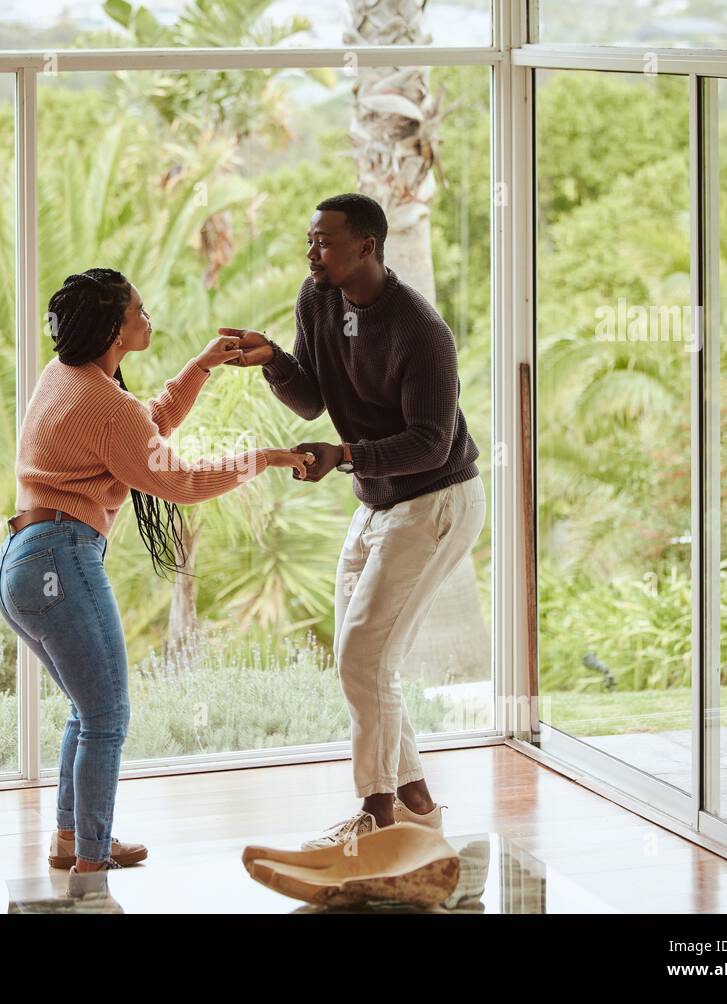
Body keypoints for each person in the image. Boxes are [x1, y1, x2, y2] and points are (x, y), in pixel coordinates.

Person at [0, 268, 313, 873]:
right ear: (116, 328)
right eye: (139, 310)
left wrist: (201, 366)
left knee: (87, 712)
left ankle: (73, 841)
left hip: (22, 564)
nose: (148, 316)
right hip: (63, 555)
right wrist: (267, 458)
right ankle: (91, 868)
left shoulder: (63, 378)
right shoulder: (104, 404)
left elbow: (147, 426)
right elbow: (181, 480)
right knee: (107, 717)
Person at [224, 193, 486, 849]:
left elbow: (430, 441)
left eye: (325, 242)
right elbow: (313, 399)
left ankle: (377, 814)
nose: (312, 252)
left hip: (436, 500)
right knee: (370, 664)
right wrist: (275, 363)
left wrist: (346, 455)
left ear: (367, 247)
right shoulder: (317, 299)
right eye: (310, 240)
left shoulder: (420, 332)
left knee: (362, 658)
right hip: (377, 500)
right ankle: (416, 807)